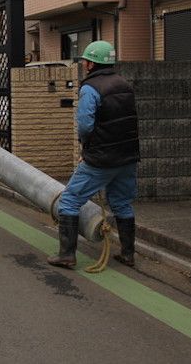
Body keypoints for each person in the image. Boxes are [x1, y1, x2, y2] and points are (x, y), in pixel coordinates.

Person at [47, 41, 140, 269]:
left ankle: (67, 255)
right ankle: (128, 254)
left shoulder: (91, 88)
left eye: (85, 60)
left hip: (101, 158)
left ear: (91, 63)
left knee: (68, 201)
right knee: (121, 203)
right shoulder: (125, 85)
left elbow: (86, 125)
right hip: (127, 156)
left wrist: (85, 148)